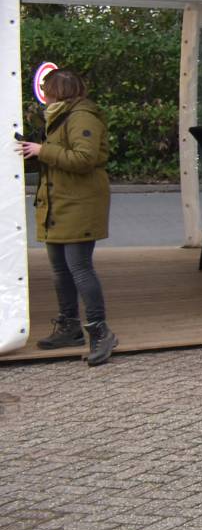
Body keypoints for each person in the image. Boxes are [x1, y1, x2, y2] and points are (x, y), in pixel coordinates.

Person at [17, 69, 116, 365]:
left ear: (56, 91)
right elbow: (63, 154)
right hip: (58, 204)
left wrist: (42, 150)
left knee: (80, 269)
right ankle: (70, 327)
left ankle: (100, 332)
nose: (43, 95)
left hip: (78, 204)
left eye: (46, 89)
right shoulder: (60, 116)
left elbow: (84, 159)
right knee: (60, 271)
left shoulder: (82, 117)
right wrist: (36, 151)